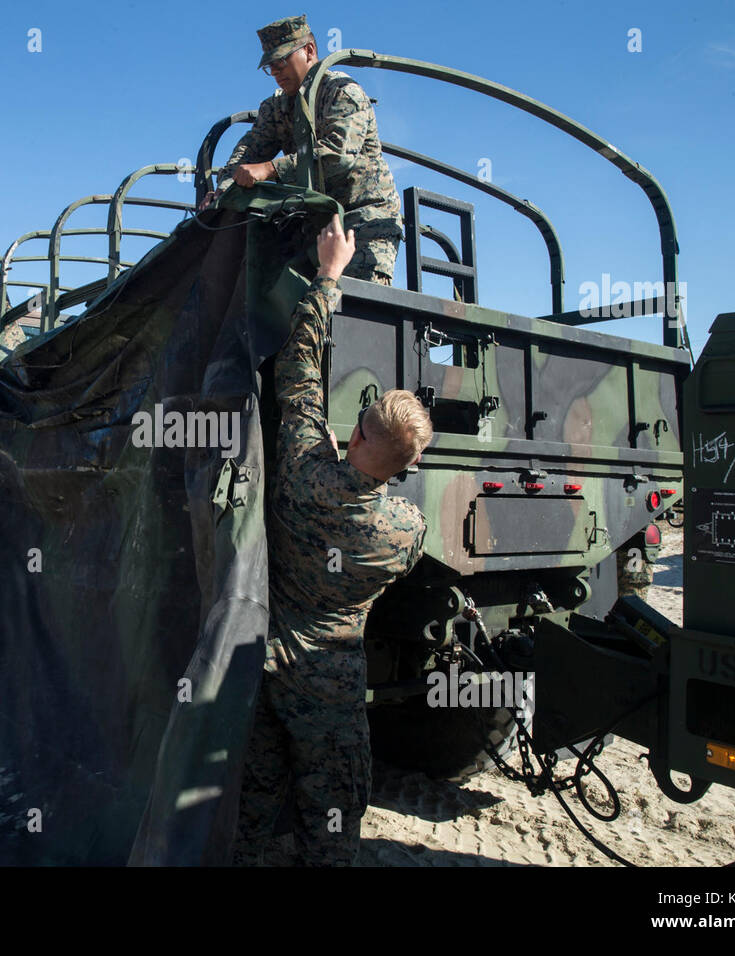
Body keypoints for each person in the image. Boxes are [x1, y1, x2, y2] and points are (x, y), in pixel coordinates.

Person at [233, 217, 432, 866]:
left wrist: (327, 276)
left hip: (267, 661)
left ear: (353, 437)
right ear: (405, 470)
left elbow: (297, 376)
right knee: (335, 821)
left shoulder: (301, 467)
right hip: (332, 682)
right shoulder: (404, 531)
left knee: (254, 805)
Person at [204, 15, 403, 286]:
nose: (275, 72)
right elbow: (249, 152)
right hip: (314, 224)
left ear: (309, 51)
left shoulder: (342, 93)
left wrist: (271, 169)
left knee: (353, 310)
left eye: (281, 61)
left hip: (364, 220)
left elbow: (336, 155)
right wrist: (223, 191)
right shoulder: (277, 107)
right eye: (269, 66)